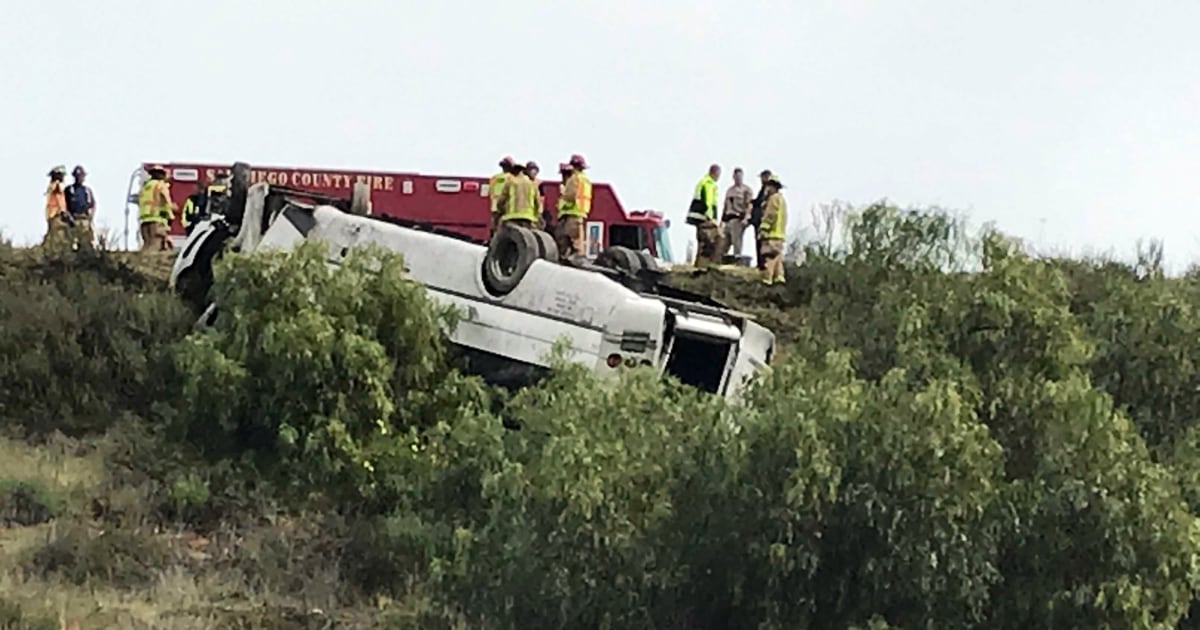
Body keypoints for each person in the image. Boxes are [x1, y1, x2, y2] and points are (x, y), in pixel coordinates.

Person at [555, 154, 592, 262]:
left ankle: (575, 258)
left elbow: (570, 196)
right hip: (580, 211)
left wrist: (562, 202)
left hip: (571, 212)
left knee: (571, 238)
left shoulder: (575, 179)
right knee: (577, 238)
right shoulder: (585, 179)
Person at [686, 164, 723, 266]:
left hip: (699, 219)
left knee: (702, 244)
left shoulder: (702, 181)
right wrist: (711, 218)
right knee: (709, 243)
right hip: (704, 219)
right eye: (718, 175)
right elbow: (708, 202)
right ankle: (706, 265)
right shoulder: (709, 184)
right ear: (714, 173)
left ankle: (700, 264)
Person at [136, 165, 176, 253]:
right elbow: (166, 201)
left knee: (147, 244)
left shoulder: (145, 187)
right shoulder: (160, 185)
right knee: (155, 246)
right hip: (157, 218)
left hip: (144, 219)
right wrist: (171, 216)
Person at [493, 162, 539, 235]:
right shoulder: (532, 184)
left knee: (503, 236)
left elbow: (501, 201)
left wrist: (501, 210)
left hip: (512, 217)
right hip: (528, 218)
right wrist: (535, 215)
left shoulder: (510, 182)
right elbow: (537, 202)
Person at [759, 174, 788, 285]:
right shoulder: (782, 201)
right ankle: (779, 277)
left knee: (769, 257)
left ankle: (767, 279)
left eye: (768, 186)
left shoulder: (773, 199)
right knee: (777, 258)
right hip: (780, 236)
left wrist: (763, 230)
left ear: (773, 187)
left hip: (772, 235)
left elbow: (769, 216)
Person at [721, 167, 754, 260]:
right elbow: (725, 206)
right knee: (723, 242)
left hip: (738, 219)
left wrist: (746, 218)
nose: (737, 178)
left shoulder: (746, 190)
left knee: (737, 242)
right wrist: (722, 221)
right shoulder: (729, 190)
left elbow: (749, 205)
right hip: (728, 219)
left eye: (739, 176)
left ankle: (737, 261)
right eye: (736, 176)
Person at [63, 165, 96, 251]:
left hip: (85, 219)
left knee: (87, 243)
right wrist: (69, 217)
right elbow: (64, 205)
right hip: (74, 220)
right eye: (78, 176)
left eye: (81, 176)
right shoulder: (69, 190)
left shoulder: (87, 190)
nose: (80, 178)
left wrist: (91, 216)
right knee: (73, 245)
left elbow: (93, 204)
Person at [488, 156, 516, 238]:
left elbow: (491, 192)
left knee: (494, 226)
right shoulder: (512, 178)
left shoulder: (494, 178)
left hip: (495, 207)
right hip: (507, 207)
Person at [750, 169, 772, 269]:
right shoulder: (763, 188)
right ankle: (760, 263)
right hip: (757, 220)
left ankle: (763, 265)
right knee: (758, 243)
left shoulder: (768, 190)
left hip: (762, 221)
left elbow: (762, 203)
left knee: (762, 243)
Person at [43, 165, 69, 247]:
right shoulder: (55, 186)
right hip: (55, 215)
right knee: (57, 239)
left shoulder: (54, 187)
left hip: (58, 215)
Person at [525, 161, 546, 228]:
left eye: (535, 170)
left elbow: (542, 198)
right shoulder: (524, 182)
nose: (533, 172)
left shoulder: (539, 183)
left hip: (536, 211)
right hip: (526, 210)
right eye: (531, 169)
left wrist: (539, 210)